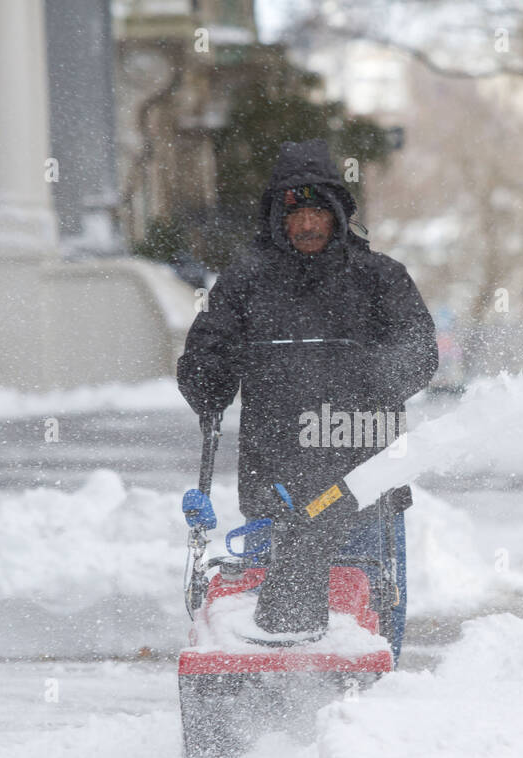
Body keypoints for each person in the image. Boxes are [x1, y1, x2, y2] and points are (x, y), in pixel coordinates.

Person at [177, 139, 438, 663]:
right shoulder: (245, 283)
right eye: (296, 214)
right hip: (275, 485)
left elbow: (420, 352)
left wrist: (368, 374)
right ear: (278, 218)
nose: (308, 225)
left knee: (370, 609)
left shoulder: (380, 279)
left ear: (339, 214)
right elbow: (204, 364)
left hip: (365, 483)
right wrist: (209, 372)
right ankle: (270, 711)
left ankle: (367, 715)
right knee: (270, 618)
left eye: (320, 211)